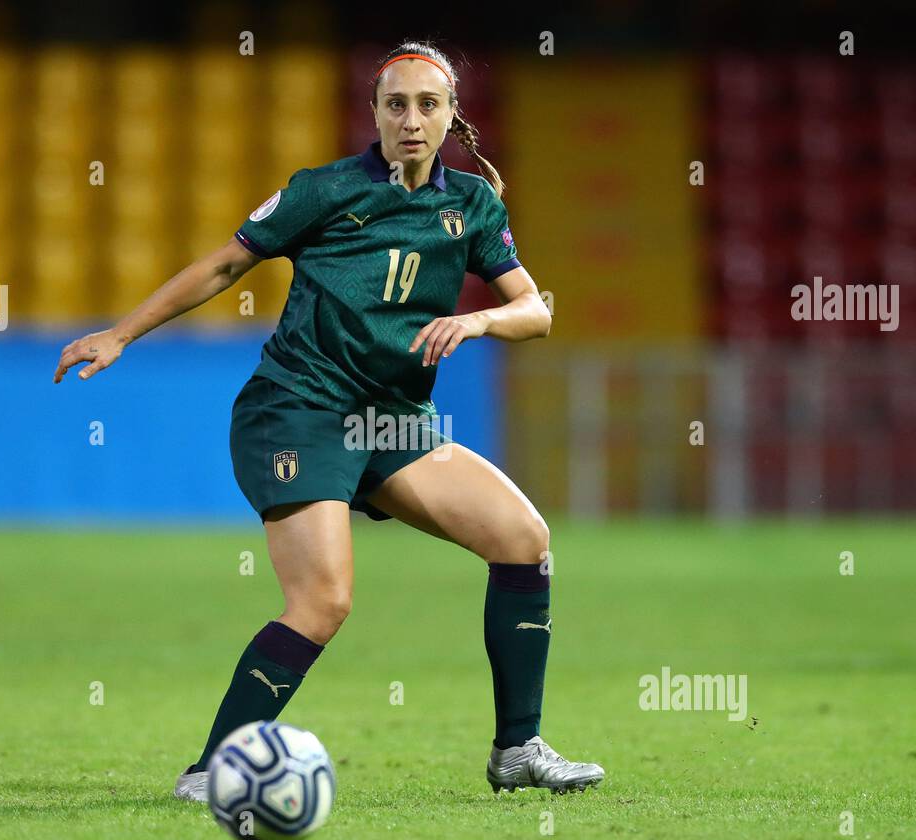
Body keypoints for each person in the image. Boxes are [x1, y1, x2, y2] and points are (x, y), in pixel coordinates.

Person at [54, 40, 604, 800]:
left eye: (428, 104)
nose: (411, 119)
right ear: (375, 112)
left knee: (524, 540)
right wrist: (120, 333)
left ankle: (519, 749)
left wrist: (477, 325)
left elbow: (534, 313)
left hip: (392, 422)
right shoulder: (326, 190)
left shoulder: (472, 204)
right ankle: (212, 768)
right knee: (323, 602)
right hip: (299, 409)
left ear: (452, 116)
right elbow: (224, 264)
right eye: (396, 104)